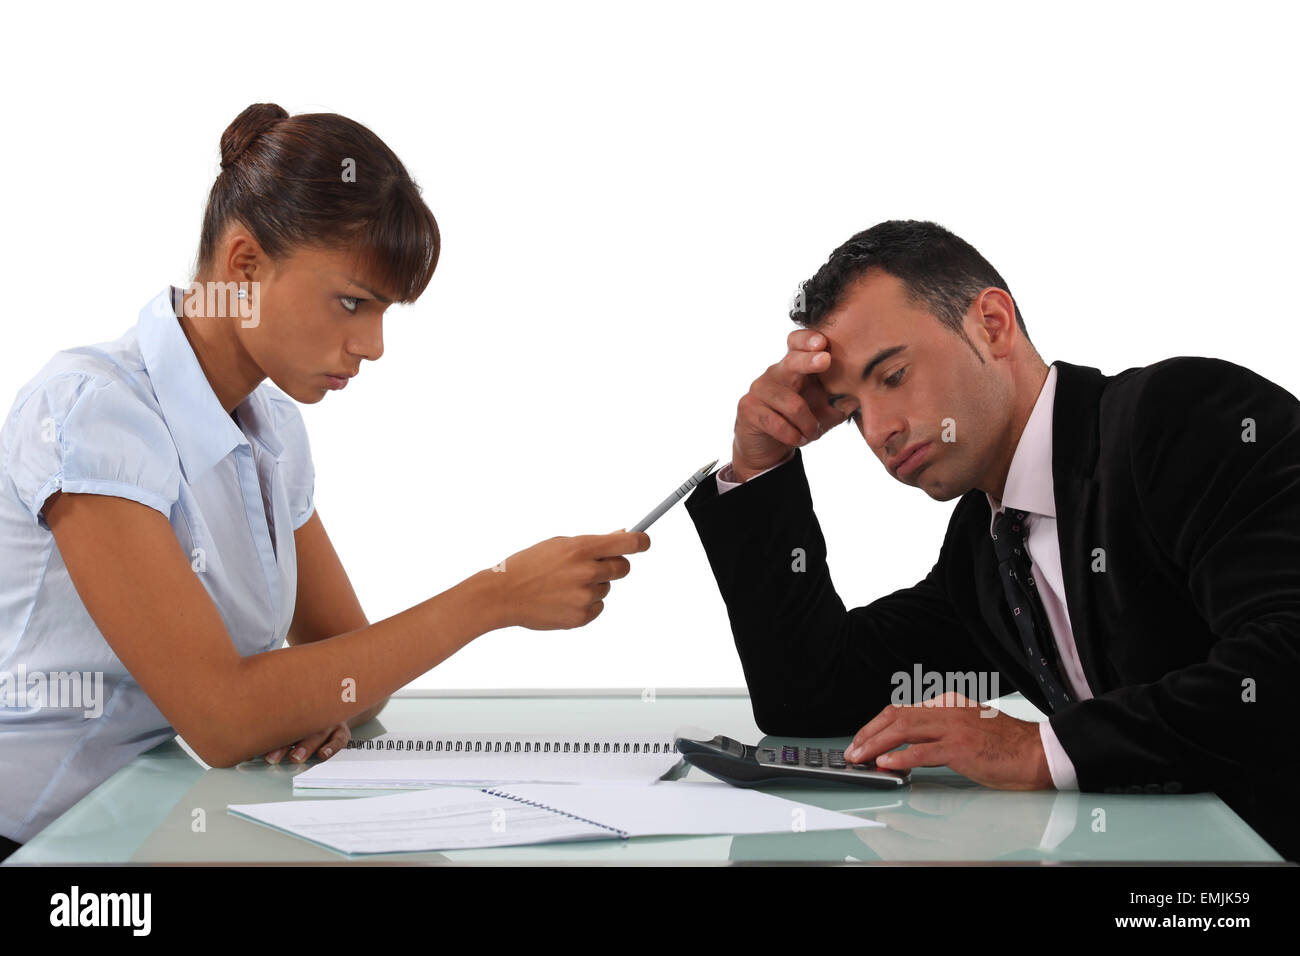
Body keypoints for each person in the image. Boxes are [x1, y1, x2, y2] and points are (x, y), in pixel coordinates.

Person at [0, 103, 649, 861]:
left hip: (144, 823)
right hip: (32, 838)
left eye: (383, 312)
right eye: (352, 302)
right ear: (244, 268)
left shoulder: (269, 426)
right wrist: (495, 596)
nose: (371, 345)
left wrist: (306, 695)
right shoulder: (93, 414)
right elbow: (224, 720)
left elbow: (354, 668)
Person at [683, 219, 1299, 860]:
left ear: (992, 325)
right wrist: (761, 469)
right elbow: (810, 696)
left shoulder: (1179, 417)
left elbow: (1284, 659)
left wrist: (1037, 750)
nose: (879, 431)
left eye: (892, 377)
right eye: (850, 408)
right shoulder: (986, 550)